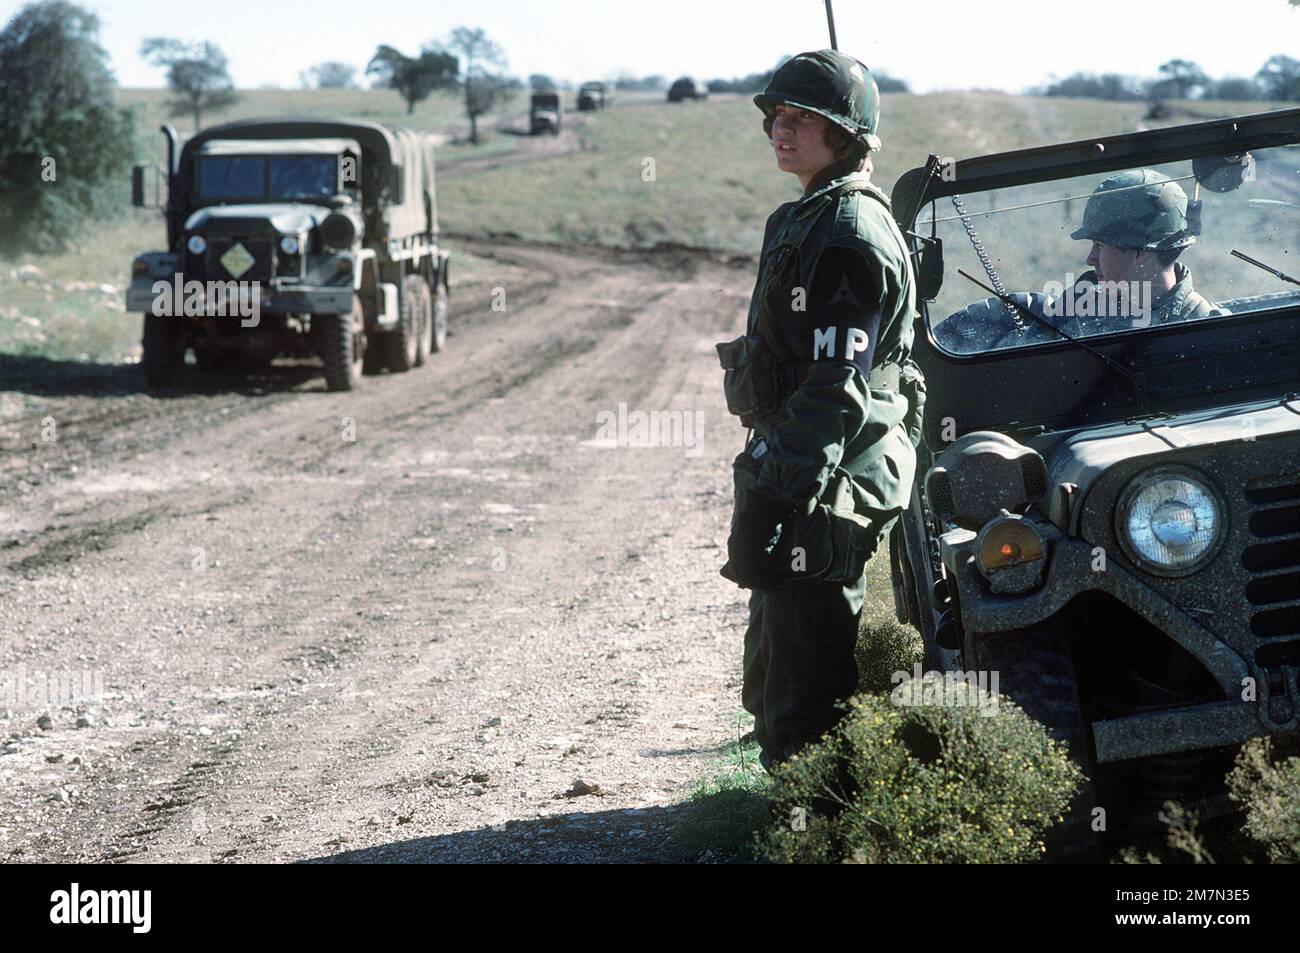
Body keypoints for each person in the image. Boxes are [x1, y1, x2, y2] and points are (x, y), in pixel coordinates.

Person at [716, 49, 923, 771]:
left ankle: (823, 818)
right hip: (806, 460)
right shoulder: (807, 216)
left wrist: (789, 487)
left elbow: (839, 382)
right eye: (777, 114)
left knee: (805, 695)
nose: (781, 127)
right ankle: (789, 802)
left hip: (835, 469)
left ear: (847, 135)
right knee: (771, 667)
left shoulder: (847, 234)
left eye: (803, 117)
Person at [1070, 168, 1227, 329]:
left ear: (1142, 252)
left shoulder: (1206, 328)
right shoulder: (1084, 305)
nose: (1091, 258)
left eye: (1101, 246)